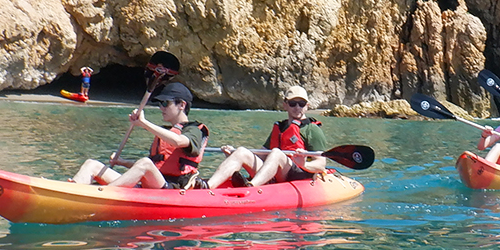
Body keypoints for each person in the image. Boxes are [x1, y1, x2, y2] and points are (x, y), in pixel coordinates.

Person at [70, 82, 210, 189]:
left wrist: (143, 123)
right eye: (160, 104)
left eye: (165, 103)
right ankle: (71, 191)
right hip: (152, 183)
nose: (161, 108)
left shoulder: (194, 130)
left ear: (182, 105)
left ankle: (103, 193)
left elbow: (178, 142)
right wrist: (122, 162)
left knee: (145, 162)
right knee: (92, 164)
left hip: (171, 187)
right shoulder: (165, 132)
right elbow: (150, 166)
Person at [204, 85, 331, 188]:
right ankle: (208, 186)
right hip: (277, 173)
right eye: (293, 103)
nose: (297, 107)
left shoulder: (312, 129)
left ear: (307, 106)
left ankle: (251, 187)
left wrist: (304, 164)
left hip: (298, 174)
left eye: (301, 103)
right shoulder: (280, 127)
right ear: (285, 105)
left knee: (276, 153)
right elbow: (262, 154)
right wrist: (233, 154)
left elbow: (321, 165)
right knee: (242, 151)